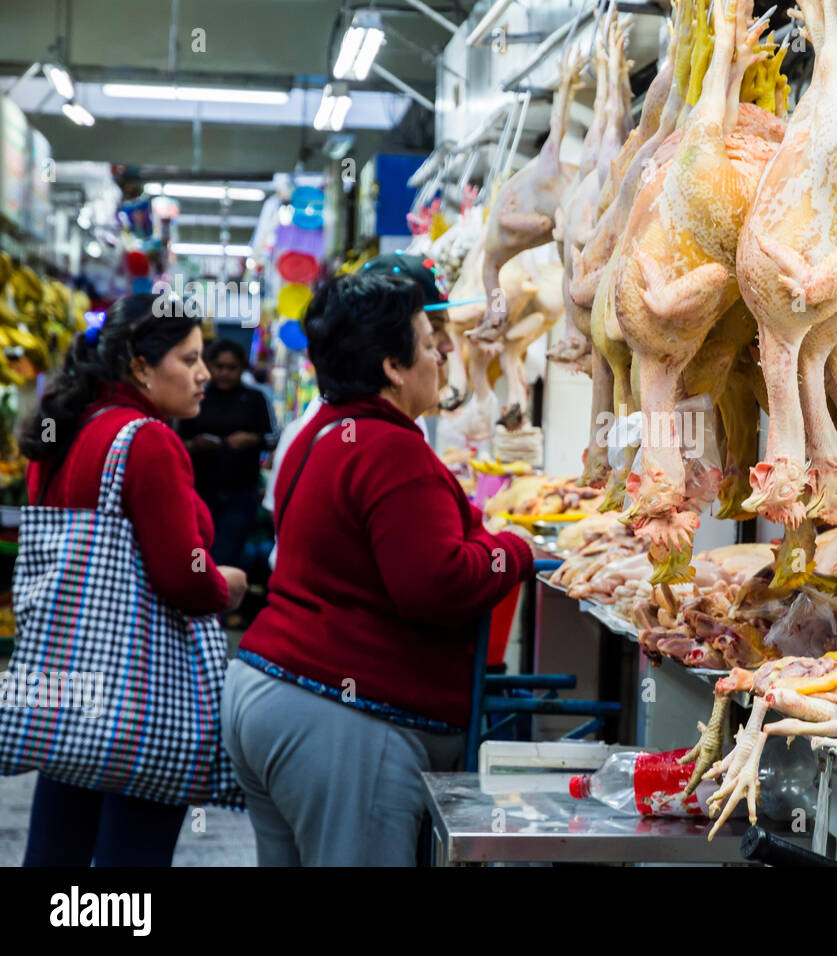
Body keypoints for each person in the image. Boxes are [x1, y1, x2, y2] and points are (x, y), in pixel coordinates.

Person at [222, 272, 537, 866]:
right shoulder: (389, 448)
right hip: (341, 718)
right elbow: (434, 582)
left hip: (270, 692)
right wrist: (513, 551)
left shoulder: (321, 432)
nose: (443, 352)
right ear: (393, 366)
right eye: (427, 341)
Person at [15, 293, 247, 866]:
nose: (201, 375)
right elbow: (183, 578)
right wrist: (227, 585)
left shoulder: (61, 433)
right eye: (187, 360)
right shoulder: (146, 440)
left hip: (70, 682)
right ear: (140, 366)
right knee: (132, 860)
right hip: (140, 690)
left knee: (57, 845)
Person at [177, 339, 276, 569]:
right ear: (209, 366)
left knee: (227, 555)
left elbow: (275, 438)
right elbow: (176, 440)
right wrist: (194, 445)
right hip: (201, 490)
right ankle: (200, 600)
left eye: (231, 368)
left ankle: (221, 600)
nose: (224, 373)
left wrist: (252, 439)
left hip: (241, 492)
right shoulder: (196, 396)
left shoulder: (255, 399)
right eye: (219, 366)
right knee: (199, 551)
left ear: (242, 368)